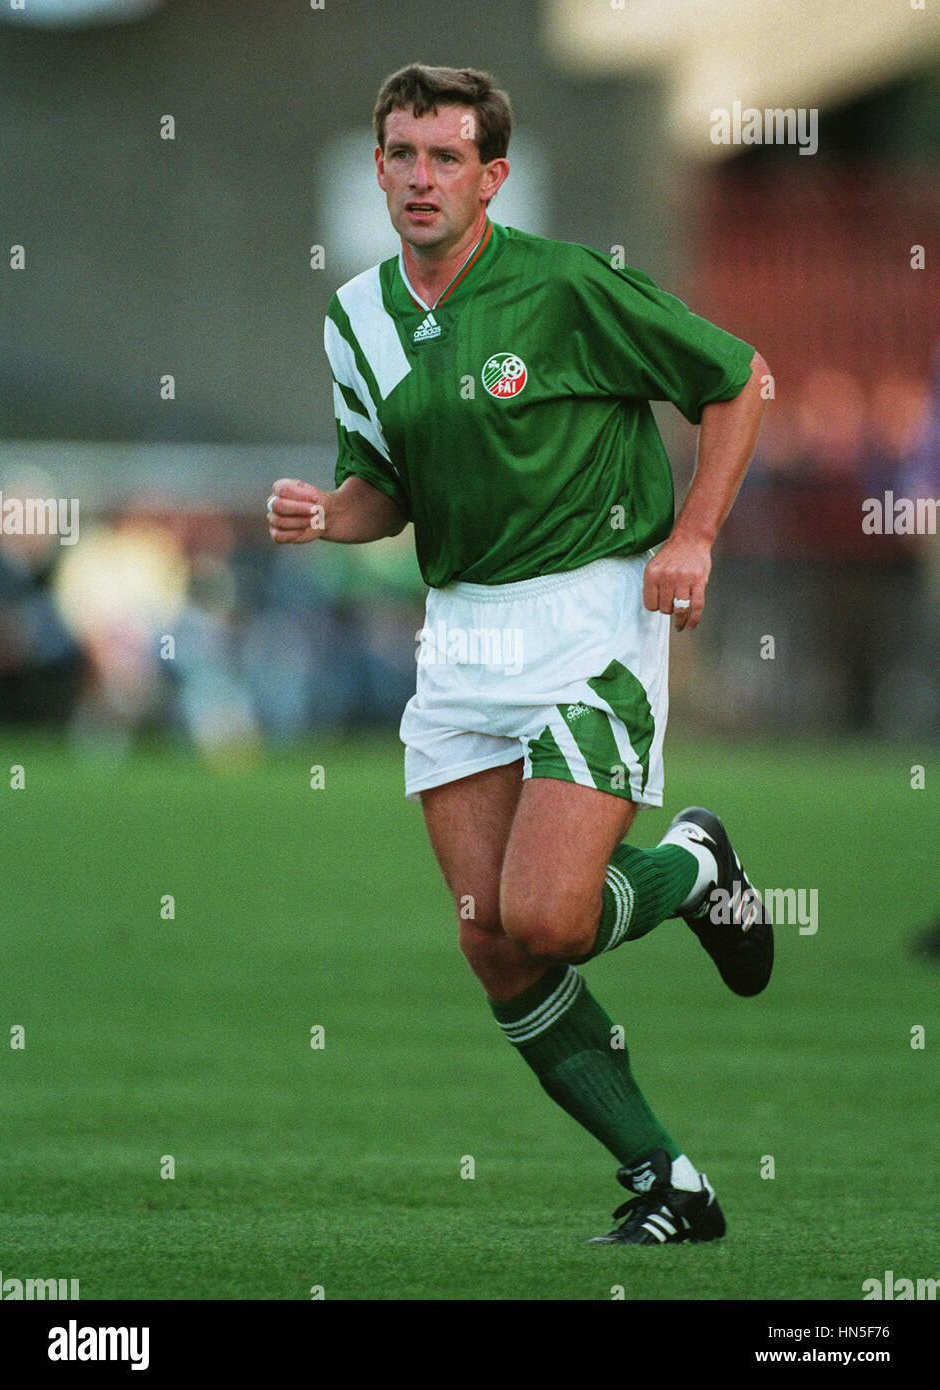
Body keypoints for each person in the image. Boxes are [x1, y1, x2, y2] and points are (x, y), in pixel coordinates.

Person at [267, 64, 772, 1244]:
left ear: (493, 176)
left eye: (447, 158)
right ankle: (671, 1183)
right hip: (462, 630)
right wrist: (323, 515)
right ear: (379, 165)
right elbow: (382, 491)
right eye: (402, 154)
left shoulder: (565, 285)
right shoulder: (356, 317)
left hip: (590, 618)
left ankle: (696, 865)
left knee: (546, 913)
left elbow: (740, 378)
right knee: (491, 939)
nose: (421, 177)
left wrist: (694, 534)